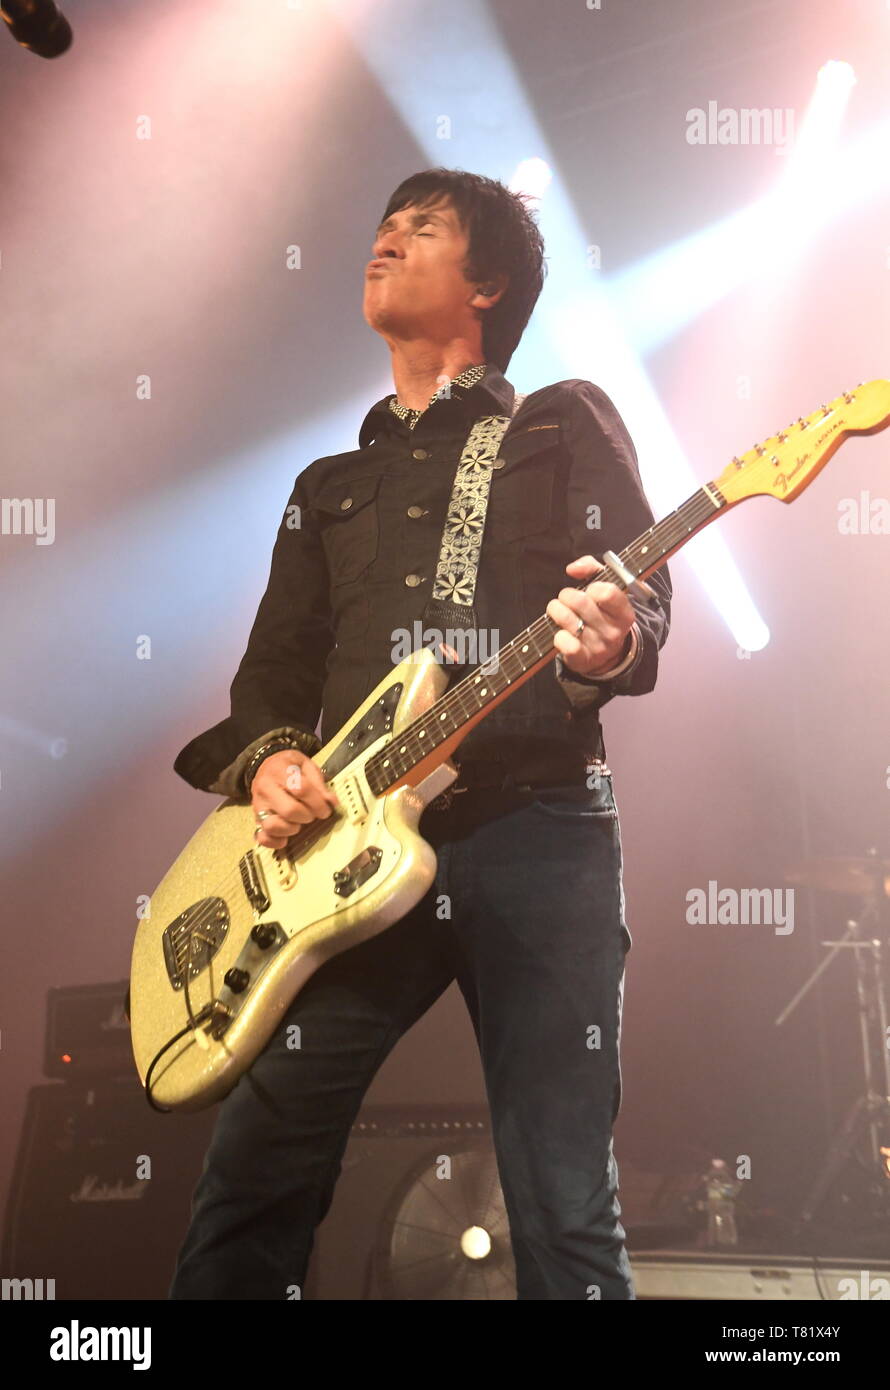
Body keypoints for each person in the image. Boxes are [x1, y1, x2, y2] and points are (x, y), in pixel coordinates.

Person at [168, 167, 672, 1300]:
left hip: (536, 824)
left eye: (421, 227)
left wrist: (606, 645)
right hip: (343, 857)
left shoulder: (562, 419)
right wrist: (275, 767)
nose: (383, 239)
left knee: (562, 1202)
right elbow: (271, 681)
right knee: (254, 1175)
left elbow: (636, 595)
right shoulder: (327, 482)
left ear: (485, 281)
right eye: (381, 223)